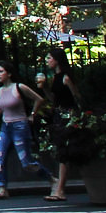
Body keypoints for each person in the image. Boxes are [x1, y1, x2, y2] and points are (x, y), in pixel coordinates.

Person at [0, 62, 49, 199]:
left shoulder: (19, 87)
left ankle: (51, 179)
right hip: (5, 126)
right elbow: (2, 110)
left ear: (9, 73)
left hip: (19, 125)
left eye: (1, 71)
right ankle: (2, 188)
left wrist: (32, 114)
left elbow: (39, 99)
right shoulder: (0, 90)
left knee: (26, 162)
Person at [41, 49, 80, 203]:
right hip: (58, 115)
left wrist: (77, 115)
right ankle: (59, 188)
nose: (47, 61)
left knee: (63, 152)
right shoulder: (55, 78)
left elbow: (77, 96)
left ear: (57, 59)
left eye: (49, 58)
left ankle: (60, 190)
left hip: (68, 115)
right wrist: (43, 88)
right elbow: (53, 99)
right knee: (60, 151)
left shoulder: (65, 77)